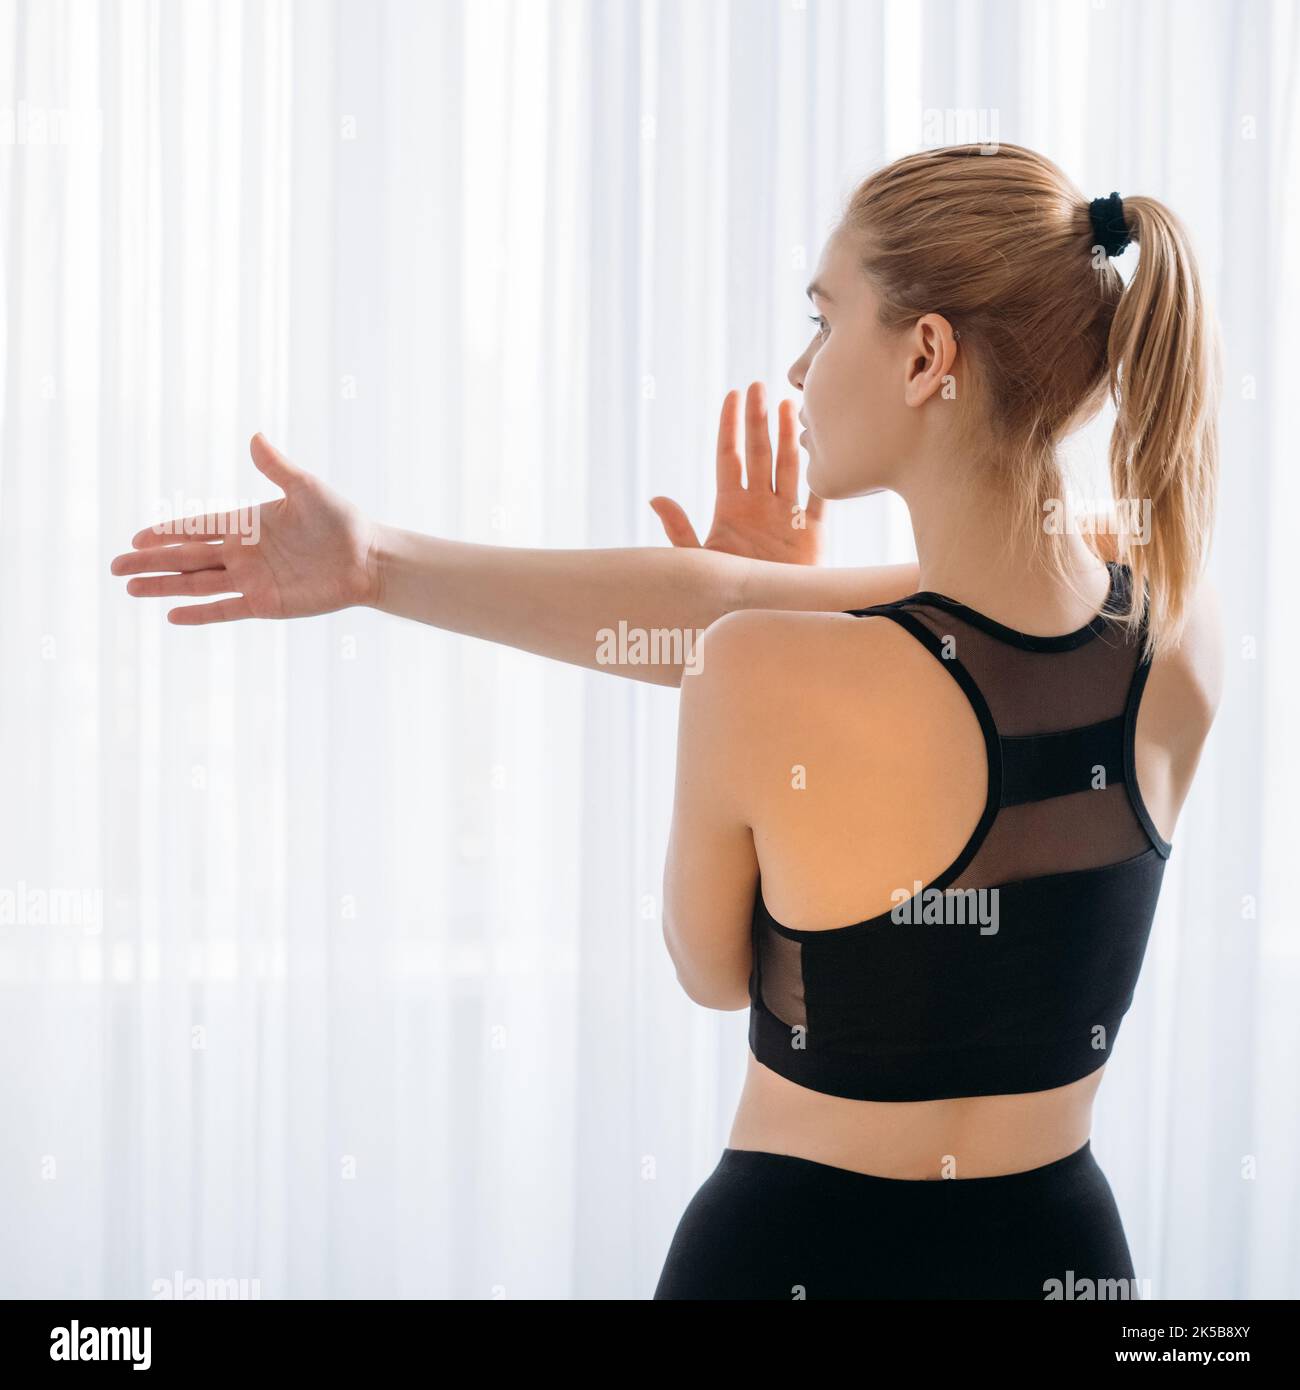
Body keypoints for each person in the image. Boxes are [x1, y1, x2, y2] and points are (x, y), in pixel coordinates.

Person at [110, 142, 1223, 1300]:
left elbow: (710, 969)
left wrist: (745, 650)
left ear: (925, 354)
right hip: (1061, 1257)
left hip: (795, 1257)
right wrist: (375, 561)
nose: (798, 368)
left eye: (824, 318)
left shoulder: (757, 670)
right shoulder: (1179, 625)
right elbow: (881, 613)